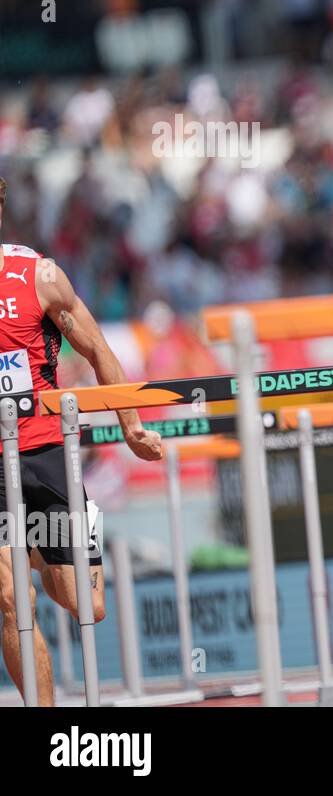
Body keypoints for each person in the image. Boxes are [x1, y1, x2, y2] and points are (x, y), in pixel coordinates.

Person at [0, 178, 163, 705]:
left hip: (45, 452)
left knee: (86, 605)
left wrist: (130, 424)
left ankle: (45, 557)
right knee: (10, 599)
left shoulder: (38, 276)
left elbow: (96, 350)